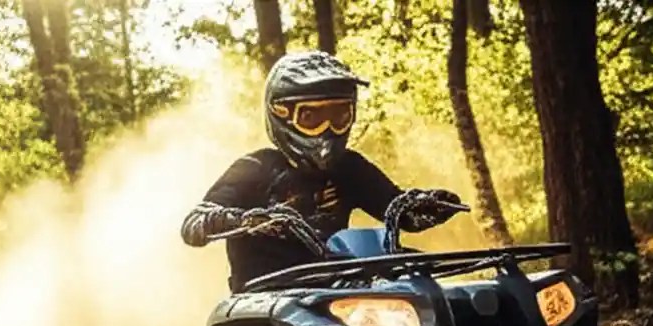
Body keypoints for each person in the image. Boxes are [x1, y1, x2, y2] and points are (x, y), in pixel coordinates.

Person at [181, 50, 463, 292]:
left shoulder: (349, 168)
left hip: (334, 298)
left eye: (339, 117)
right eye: (312, 118)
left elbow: (396, 210)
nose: (328, 130)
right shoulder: (255, 169)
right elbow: (192, 225)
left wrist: (424, 205)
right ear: (281, 113)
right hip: (264, 303)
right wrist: (235, 220)